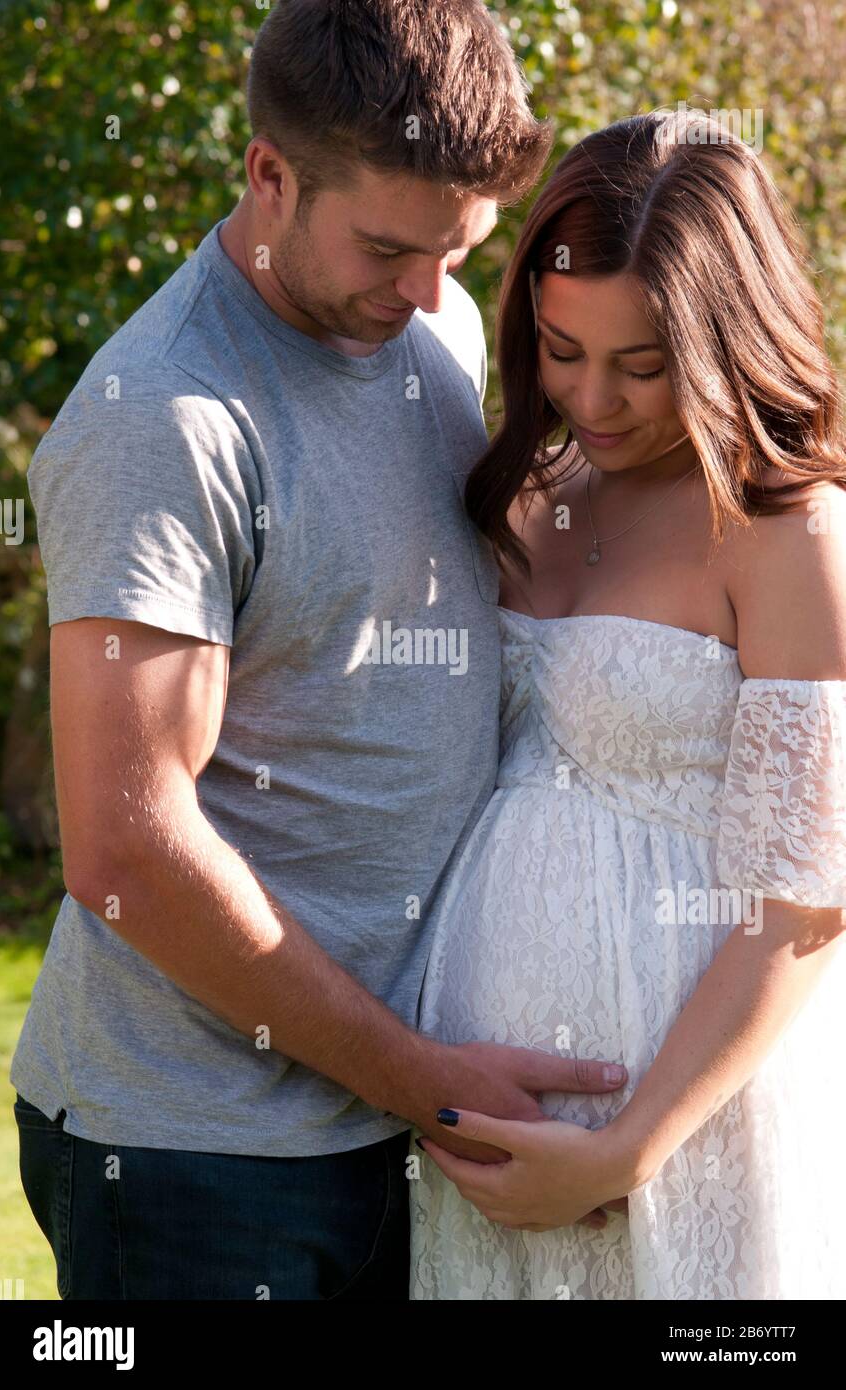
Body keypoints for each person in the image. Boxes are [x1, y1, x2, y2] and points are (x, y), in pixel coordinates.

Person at [10, 0, 631, 1302]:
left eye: (452, 252)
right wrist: (422, 1079)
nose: (419, 293)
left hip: (386, 1122)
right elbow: (127, 849)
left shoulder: (434, 329)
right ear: (269, 175)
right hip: (193, 1151)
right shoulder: (165, 421)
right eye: (387, 248)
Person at [410, 107, 846, 1300]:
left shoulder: (784, 533)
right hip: (479, 1126)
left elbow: (800, 903)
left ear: (723, 338)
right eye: (559, 349)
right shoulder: (527, 489)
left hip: (686, 1122)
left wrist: (629, 1147)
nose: (591, 399)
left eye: (641, 365)